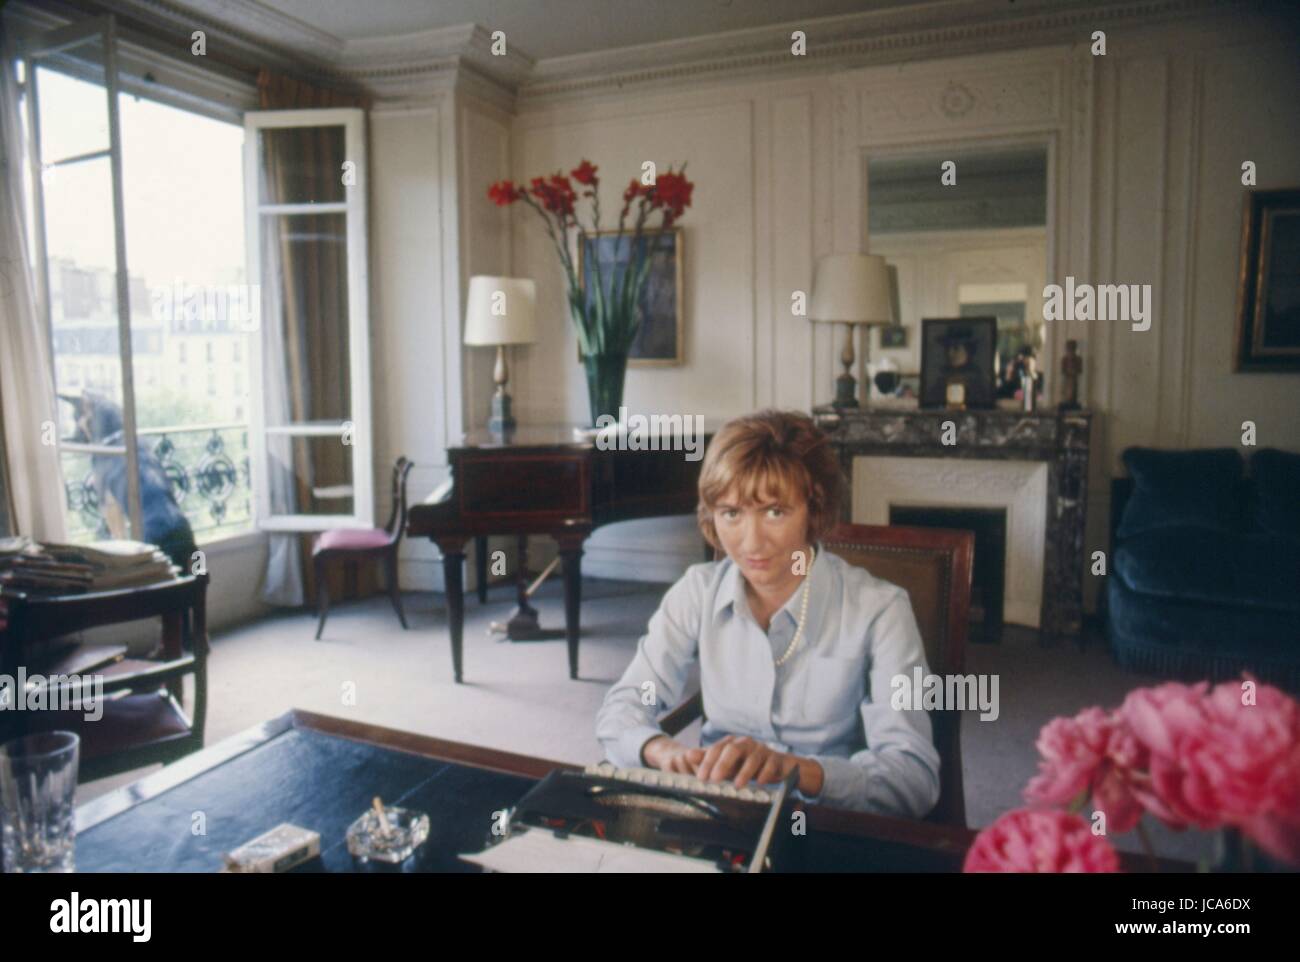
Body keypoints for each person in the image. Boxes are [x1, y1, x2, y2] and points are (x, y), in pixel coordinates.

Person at [594, 410, 941, 818]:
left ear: (814, 510)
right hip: (719, 816)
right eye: (732, 513)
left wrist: (797, 771)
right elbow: (627, 704)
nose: (751, 542)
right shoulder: (697, 592)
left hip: (826, 822)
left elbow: (912, 781)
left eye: (775, 511)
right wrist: (661, 750)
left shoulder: (880, 610)